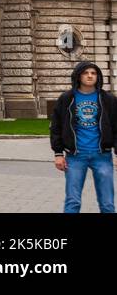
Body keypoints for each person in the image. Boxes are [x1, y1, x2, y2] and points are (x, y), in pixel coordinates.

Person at [50, 60, 117, 213]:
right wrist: (58, 153)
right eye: (85, 73)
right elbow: (56, 127)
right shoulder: (67, 98)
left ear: (98, 77)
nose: (89, 76)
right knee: (73, 202)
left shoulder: (108, 100)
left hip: (102, 156)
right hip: (75, 156)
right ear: (78, 76)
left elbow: (116, 127)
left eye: (93, 73)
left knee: (107, 203)